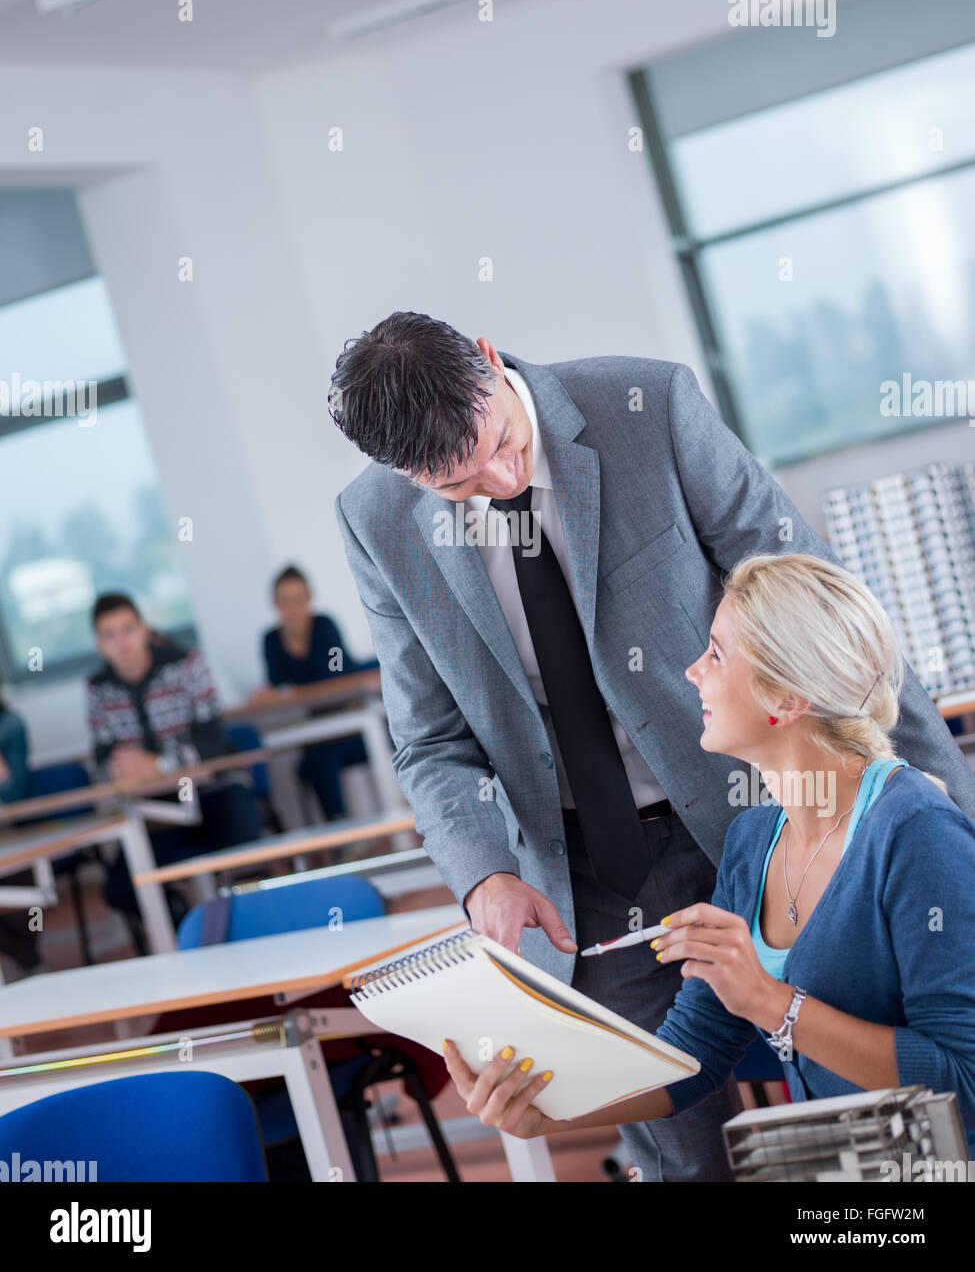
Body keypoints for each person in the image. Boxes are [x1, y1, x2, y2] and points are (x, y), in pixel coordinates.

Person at [329, 311, 975, 1182]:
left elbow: (818, 604)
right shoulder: (377, 520)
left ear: (488, 362)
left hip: (764, 810)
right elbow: (429, 738)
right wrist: (488, 884)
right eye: (458, 484)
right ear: (400, 473)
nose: (501, 479)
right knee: (688, 1151)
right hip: (596, 873)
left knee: (875, 1108)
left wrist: (936, 800)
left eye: (498, 445)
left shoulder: (649, 405)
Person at [443, 552, 975, 1160]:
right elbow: (689, 1060)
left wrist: (769, 1001)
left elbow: (963, 1078)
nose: (694, 672)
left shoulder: (916, 832)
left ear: (788, 696)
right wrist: (547, 1110)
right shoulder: (754, 844)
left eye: (717, 654)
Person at [86, 594, 264, 932]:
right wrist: (120, 769)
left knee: (245, 846)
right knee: (121, 888)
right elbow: (103, 757)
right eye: (110, 635)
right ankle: (190, 931)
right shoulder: (98, 689)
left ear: (144, 630)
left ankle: (252, 928)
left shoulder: (186, 664)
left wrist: (160, 765)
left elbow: (212, 743)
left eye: (128, 629)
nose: (122, 642)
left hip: (215, 792)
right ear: (99, 645)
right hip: (156, 810)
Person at [256, 565, 379, 821]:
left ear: (309, 599)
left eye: (299, 599)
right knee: (316, 759)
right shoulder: (271, 640)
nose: (293, 608)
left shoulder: (324, 626)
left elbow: (334, 676)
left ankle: (343, 830)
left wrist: (291, 692)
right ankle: (339, 833)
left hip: (350, 725)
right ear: (275, 605)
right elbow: (275, 684)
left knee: (321, 757)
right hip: (318, 732)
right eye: (285, 601)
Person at [0, 697, 44, 975]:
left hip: (12, 832)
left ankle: (27, 961)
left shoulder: (9, 726)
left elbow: (14, 795)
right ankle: (28, 961)